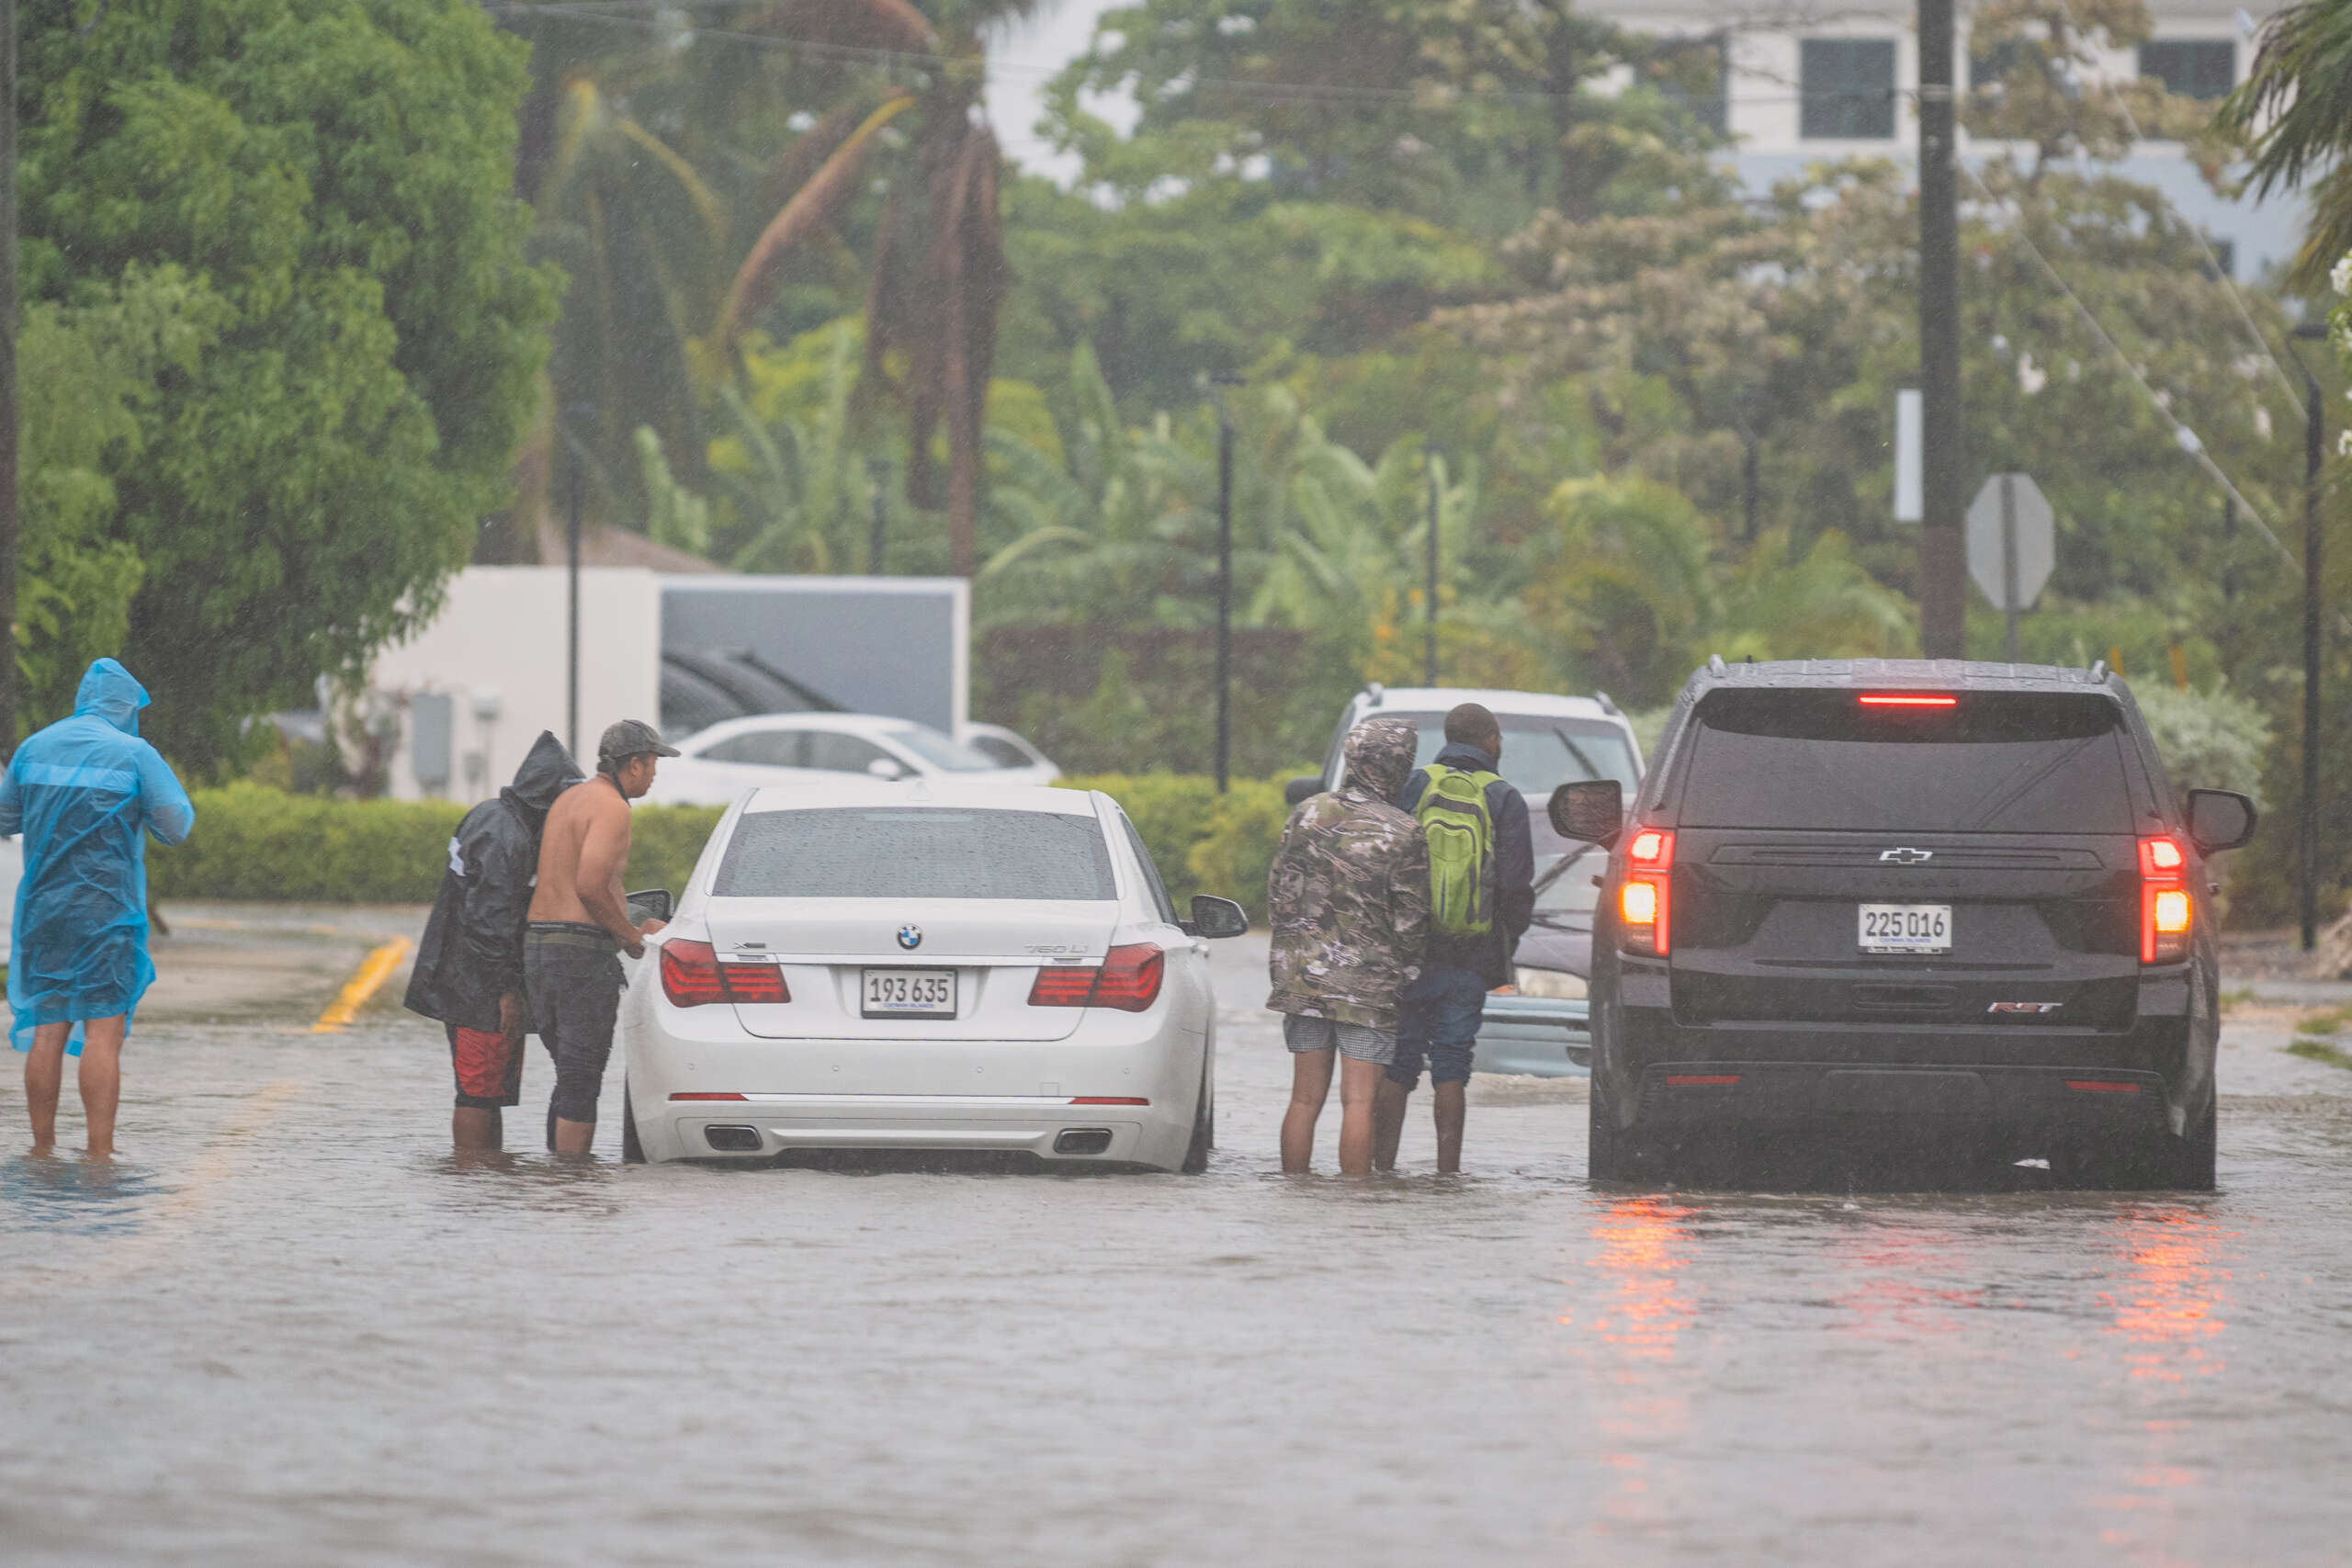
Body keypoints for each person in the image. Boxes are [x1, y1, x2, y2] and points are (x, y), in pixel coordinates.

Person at [3, 660, 195, 1158]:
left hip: (44, 911)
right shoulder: (134, 753)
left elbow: (5, 817)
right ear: (126, 708)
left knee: (48, 1032)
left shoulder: (34, 747)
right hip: (106, 912)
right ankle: (99, 1155)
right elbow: (175, 827)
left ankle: (42, 1150)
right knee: (103, 1035)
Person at [1373, 702, 1533, 1176]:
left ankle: (1382, 1170)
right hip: (1470, 955)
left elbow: (1382, 863)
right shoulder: (1504, 798)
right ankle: (1447, 1176)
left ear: (1447, 739)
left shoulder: (1414, 784)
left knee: (1399, 1061)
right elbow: (1516, 886)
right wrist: (1503, 944)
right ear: (1492, 741)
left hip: (1410, 951)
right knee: (1452, 1065)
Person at [403, 731, 584, 1153]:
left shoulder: (492, 817)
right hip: (477, 983)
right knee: (476, 1092)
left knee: (490, 1090)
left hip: (465, 973)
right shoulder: (506, 834)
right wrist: (505, 990)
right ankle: (471, 1174)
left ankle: (490, 1175)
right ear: (547, 795)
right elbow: (488, 920)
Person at [1266, 717, 1429, 1176]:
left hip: (1302, 977)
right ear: (1400, 765)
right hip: (1369, 986)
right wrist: (1406, 970)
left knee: (1303, 1099)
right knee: (1359, 1102)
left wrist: (1295, 952)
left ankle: (1294, 1188)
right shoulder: (1405, 831)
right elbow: (1411, 920)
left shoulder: (1306, 813)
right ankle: (1355, 1202)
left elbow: (1278, 895)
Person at [524, 719, 675, 1155]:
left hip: (538, 947)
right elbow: (589, 886)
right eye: (653, 764)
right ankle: (574, 1182)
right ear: (634, 765)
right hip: (578, 954)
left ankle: (554, 1174)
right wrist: (629, 935)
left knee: (569, 1074)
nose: (654, 775)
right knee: (582, 1079)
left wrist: (632, 920)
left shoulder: (569, 799)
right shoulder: (613, 807)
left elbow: (592, 882)